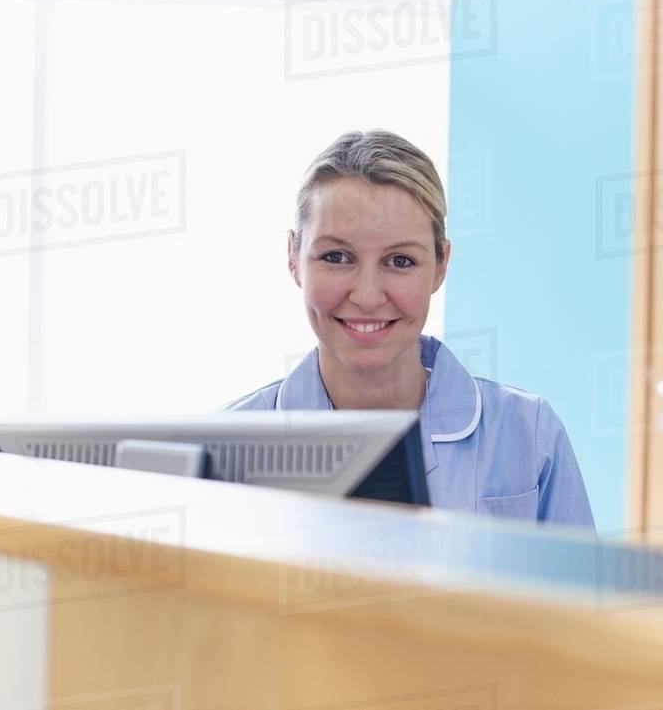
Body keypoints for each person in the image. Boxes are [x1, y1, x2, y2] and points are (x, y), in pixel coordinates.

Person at [227, 130, 594, 528]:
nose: (367, 296)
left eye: (400, 261)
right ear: (293, 258)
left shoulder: (530, 435)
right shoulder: (230, 447)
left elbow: (581, 592)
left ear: (441, 265)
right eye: (336, 256)